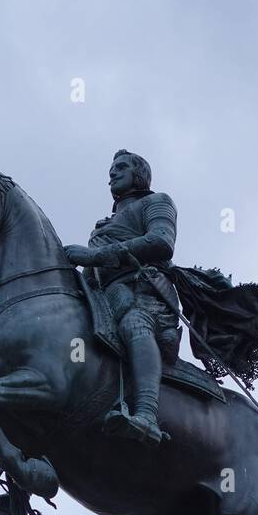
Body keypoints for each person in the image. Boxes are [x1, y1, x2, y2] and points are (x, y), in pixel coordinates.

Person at [64, 150, 179, 447]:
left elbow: (162, 242)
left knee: (134, 325)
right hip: (105, 295)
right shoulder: (101, 226)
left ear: (139, 174)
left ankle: (147, 416)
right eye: (111, 169)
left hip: (144, 292)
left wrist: (95, 255)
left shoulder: (157, 202)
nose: (112, 173)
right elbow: (92, 275)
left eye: (121, 167)